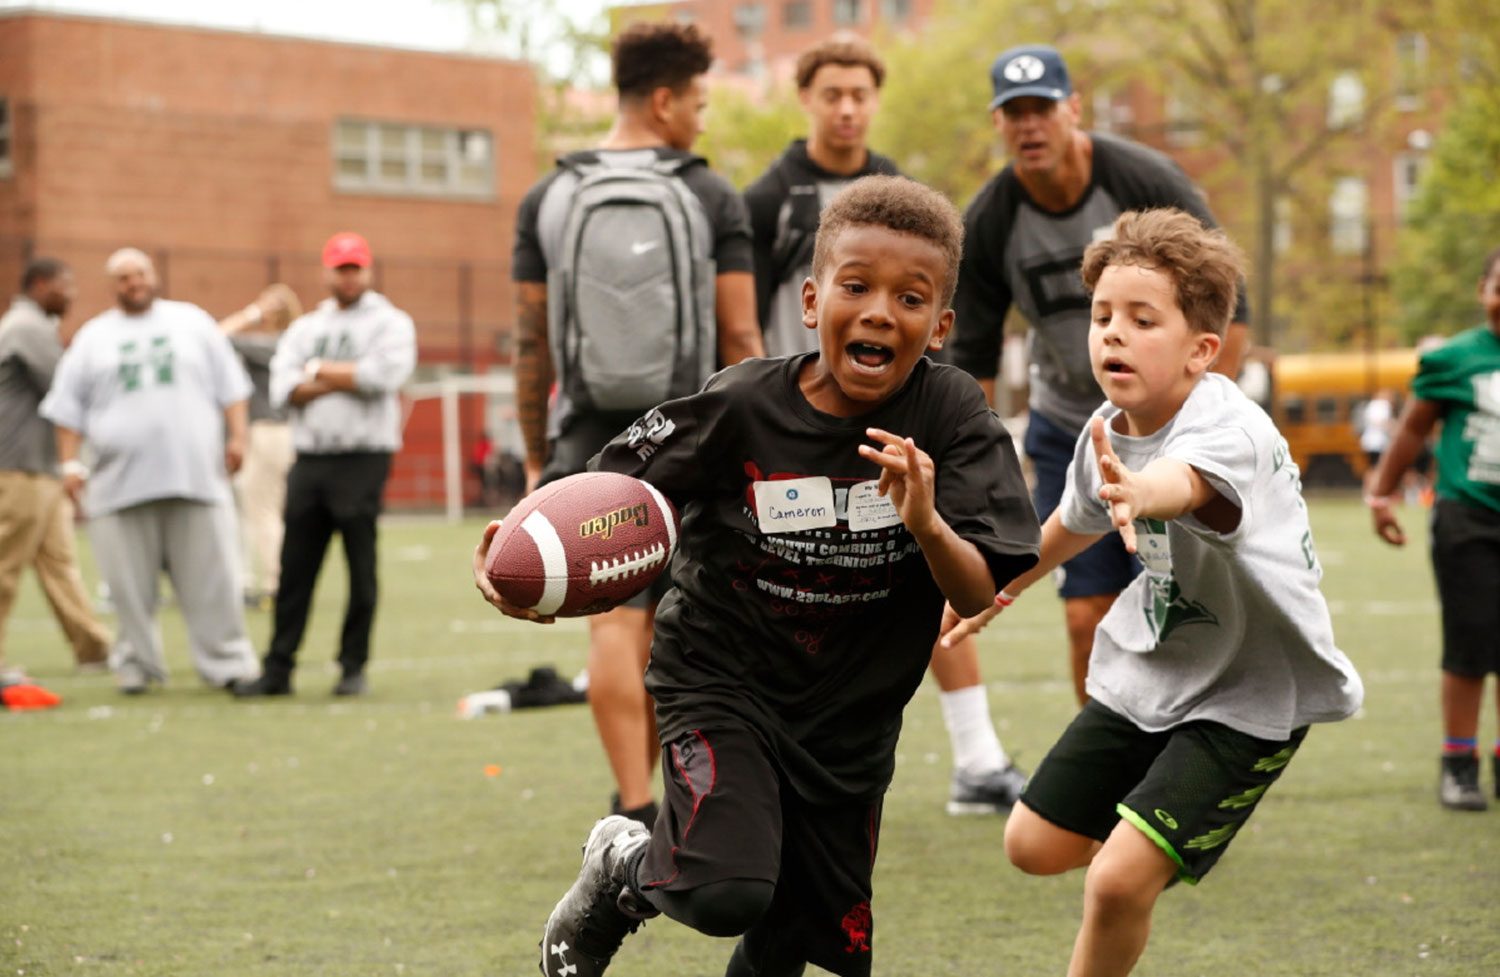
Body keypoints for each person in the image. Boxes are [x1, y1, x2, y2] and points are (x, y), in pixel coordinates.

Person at [478, 176, 1041, 977]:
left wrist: (926, 520)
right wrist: (520, 558)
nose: (881, 310)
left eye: (910, 298)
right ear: (812, 302)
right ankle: (620, 872)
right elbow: (608, 499)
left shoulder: (949, 417)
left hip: (851, 718)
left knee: (799, 948)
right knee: (725, 886)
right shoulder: (742, 404)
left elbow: (980, 590)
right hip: (723, 678)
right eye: (857, 287)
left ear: (941, 325)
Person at [943, 208, 1362, 977]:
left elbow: (1189, 481)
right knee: (1032, 845)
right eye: (1102, 316)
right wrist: (993, 589)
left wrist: (1142, 489)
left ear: (1202, 349)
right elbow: (1068, 523)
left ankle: (1140, 863)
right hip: (1161, 667)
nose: (1112, 333)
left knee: (1112, 881)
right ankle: (1153, 844)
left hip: (1253, 694)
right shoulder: (1106, 425)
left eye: (1142, 319)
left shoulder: (1228, 427)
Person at [745, 33, 1026, 815]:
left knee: (913, 573)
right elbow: (740, 316)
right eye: (830, 93)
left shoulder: (901, 194)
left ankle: (978, 756)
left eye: (859, 94)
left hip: (884, 420)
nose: (845, 107)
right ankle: (755, 764)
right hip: (793, 435)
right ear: (807, 99)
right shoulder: (768, 198)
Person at [509, 21, 764, 826]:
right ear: (662, 100)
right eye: (696, 102)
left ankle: (632, 804)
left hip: (590, 437)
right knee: (690, 624)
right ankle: (698, 794)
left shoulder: (547, 197)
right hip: (690, 431)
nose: (702, 118)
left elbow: (530, 341)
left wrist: (533, 457)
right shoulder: (708, 193)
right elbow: (743, 339)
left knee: (614, 625)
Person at [944, 44, 1250, 705]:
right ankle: (1103, 768)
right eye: (1014, 113)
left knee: (1190, 612)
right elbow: (975, 351)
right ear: (999, 124)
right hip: (1071, 427)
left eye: (1043, 109)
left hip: (1174, 431)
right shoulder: (993, 218)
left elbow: (1230, 302)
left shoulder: (1142, 178)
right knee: (1088, 615)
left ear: (1073, 110)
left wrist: (1207, 417)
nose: (1029, 125)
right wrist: (975, 470)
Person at [39, 248, 259, 694]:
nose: (133, 282)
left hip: (195, 477)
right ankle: (137, 666)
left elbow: (231, 387)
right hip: (118, 484)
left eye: (139, 273)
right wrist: (69, 463)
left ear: (153, 277)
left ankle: (227, 663)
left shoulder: (193, 323)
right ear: (112, 286)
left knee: (214, 580)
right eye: (122, 277)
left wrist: (239, 437)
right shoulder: (93, 338)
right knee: (128, 589)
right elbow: (67, 410)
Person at [232, 232, 416, 698]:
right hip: (311, 458)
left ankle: (352, 666)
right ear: (327, 271)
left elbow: (381, 378)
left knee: (360, 565)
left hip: (364, 456)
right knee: (296, 567)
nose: (348, 275)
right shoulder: (306, 328)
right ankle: (278, 668)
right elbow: (283, 389)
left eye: (355, 267)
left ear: (367, 270)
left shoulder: (390, 322)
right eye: (340, 267)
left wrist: (316, 371)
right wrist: (343, 376)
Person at [1366, 246, 1500, 811]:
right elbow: (1411, 430)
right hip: (1467, 515)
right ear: (1483, 290)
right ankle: (1459, 761)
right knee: (1471, 643)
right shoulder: (1455, 359)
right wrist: (1381, 492)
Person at [0, 257, 111, 678]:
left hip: (39, 468)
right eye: (66, 285)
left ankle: (94, 649)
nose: (73, 294)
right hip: (17, 469)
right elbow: (69, 386)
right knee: (4, 566)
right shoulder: (26, 327)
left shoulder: (30, 326)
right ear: (41, 284)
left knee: (60, 566)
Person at [219, 283, 302, 610]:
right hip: (284, 434)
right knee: (270, 510)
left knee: (262, 511)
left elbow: (216, 336)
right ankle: (271, 579)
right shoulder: (293, 345)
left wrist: (251, 314)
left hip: (267, 432)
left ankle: (275, 583)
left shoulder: (271, 345)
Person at [1359, 387, 1395, 475]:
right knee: (1380, 466)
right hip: (1379, 443)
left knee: (1372, 466)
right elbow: (1383, 422)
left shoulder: (1371, 405)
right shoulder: (1383, 405)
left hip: (1369, 442)